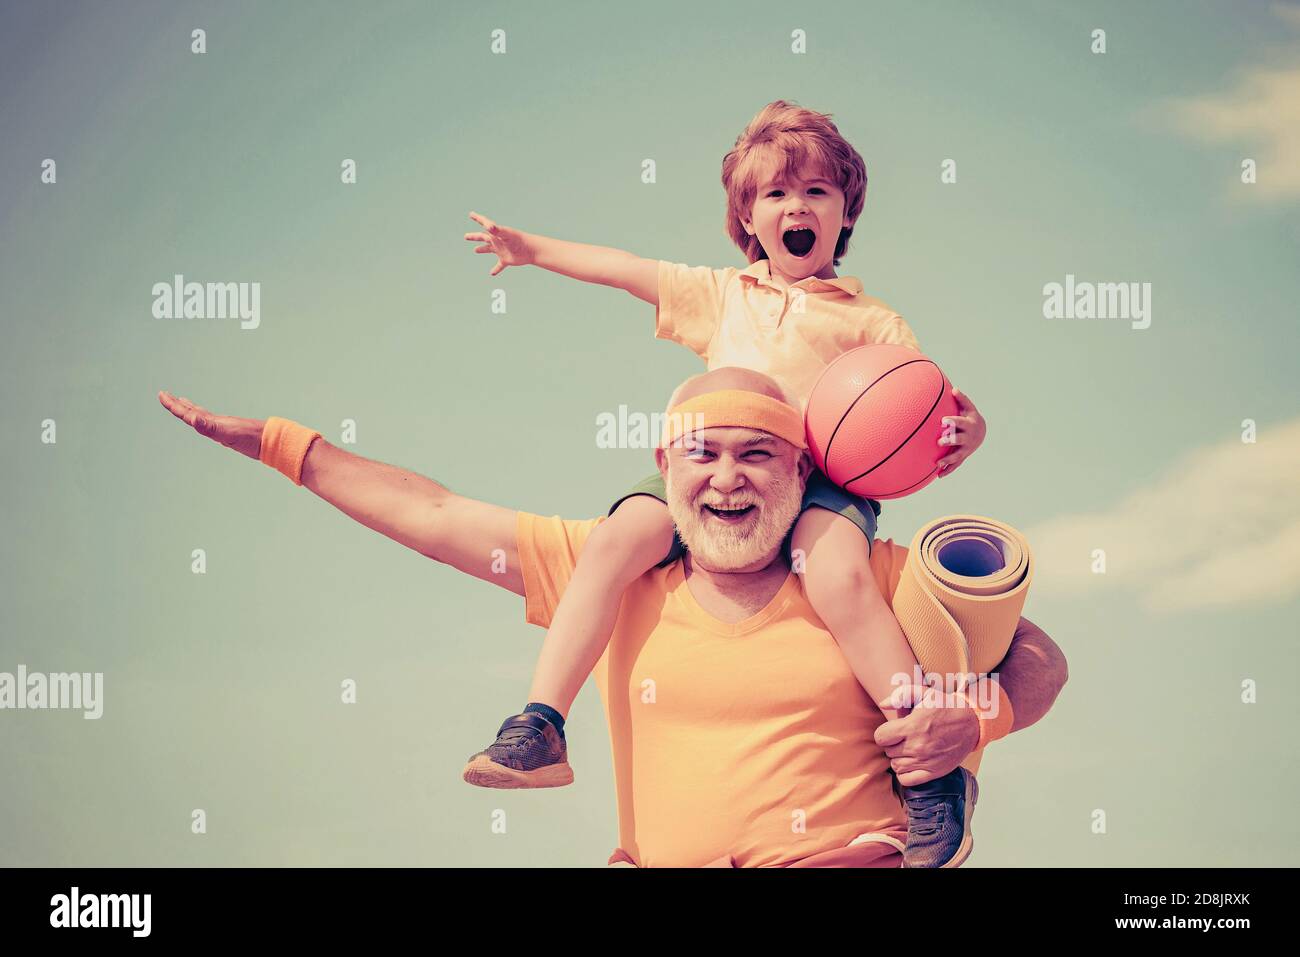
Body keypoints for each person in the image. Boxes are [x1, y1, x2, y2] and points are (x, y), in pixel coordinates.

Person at [156, 369, 1068, 868]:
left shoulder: (862, 571)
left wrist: (973, 717)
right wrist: (282, 445)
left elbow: (1037, 657)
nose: (729, 476)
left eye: (759, 455)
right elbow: (432, 516)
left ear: (803, 479)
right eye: (704, 454)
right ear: (665, 477)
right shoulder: (615, 567)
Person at [462, 100, 987, 865]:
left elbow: (926, 409)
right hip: (716, 470)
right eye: (774, 194)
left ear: (846, 212)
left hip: (822, 482)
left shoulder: (874, 322)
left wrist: (971, 433)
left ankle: (929, 770)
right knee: (612, 543)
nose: (796, 206)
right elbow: (623, 268)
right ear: (748, 217)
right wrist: (530, 248)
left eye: (815, 191)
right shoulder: (723, 294)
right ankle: (541, 720)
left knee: (837, 573)